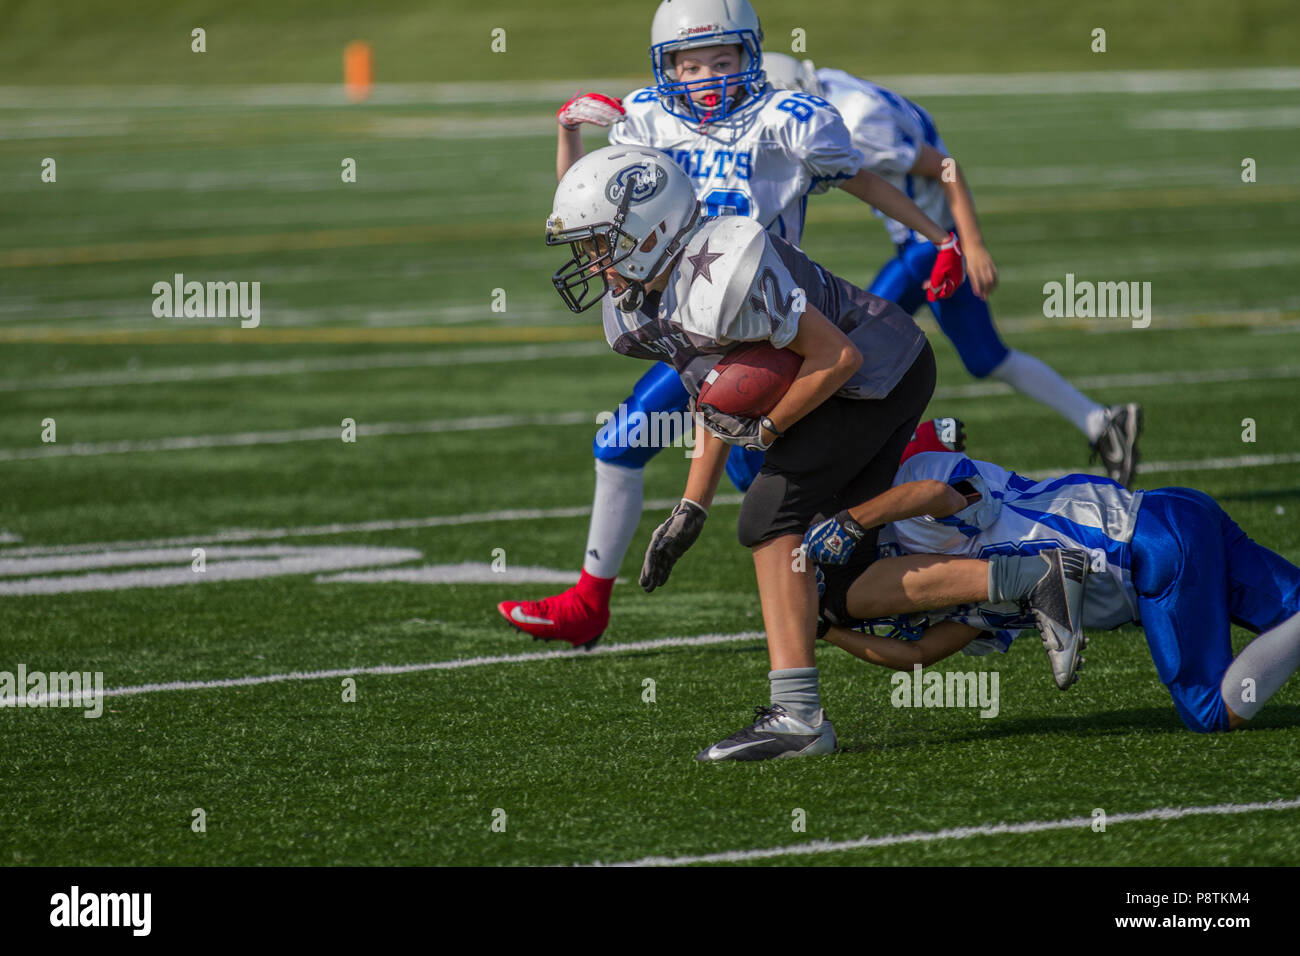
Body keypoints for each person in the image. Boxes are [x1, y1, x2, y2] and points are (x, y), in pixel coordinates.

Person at [498, 0, 962, 649]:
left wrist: (940, 236)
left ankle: (922, 487)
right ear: (667, 68)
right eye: (693, 64)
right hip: (692, 316)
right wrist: (569, 135)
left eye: (724, 60)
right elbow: (591, 212)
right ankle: (912, 483)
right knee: (738, 475)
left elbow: (860, 179)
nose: (710, 76)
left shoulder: (784, 120)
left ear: (751, 55)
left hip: (764, 317)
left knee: (765, 490)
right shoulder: (652, 121)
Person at [544, 143, 939, 760]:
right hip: (848, 378)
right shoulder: (640, 304)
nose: (591, 263)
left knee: (767, 519)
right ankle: (1023, 576)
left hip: (876, 373)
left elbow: (838, 357)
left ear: (648, 231)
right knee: (842, 580)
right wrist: (691, 506)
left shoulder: (724, 267)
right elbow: (719, 399)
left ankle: (800, 719)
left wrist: (768, 430)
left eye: (600, 244)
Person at [763, 52, 1143, 489]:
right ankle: (1101, 421)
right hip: (930, 239)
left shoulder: (859, 123)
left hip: (931, 246)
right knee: (986, 358)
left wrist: (971, 244)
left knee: (844, 345)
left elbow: (946, 167)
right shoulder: (828, 85)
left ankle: (866, 459)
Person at [803, 435, 1300, 733]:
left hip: (1143, 549)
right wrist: (828, 634)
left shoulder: (913, 505)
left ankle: (1047, 576)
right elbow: (919, 656)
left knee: (1210, 711)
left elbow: (942, 494)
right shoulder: (959, 591)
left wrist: (854, 520)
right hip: (1170, 519)